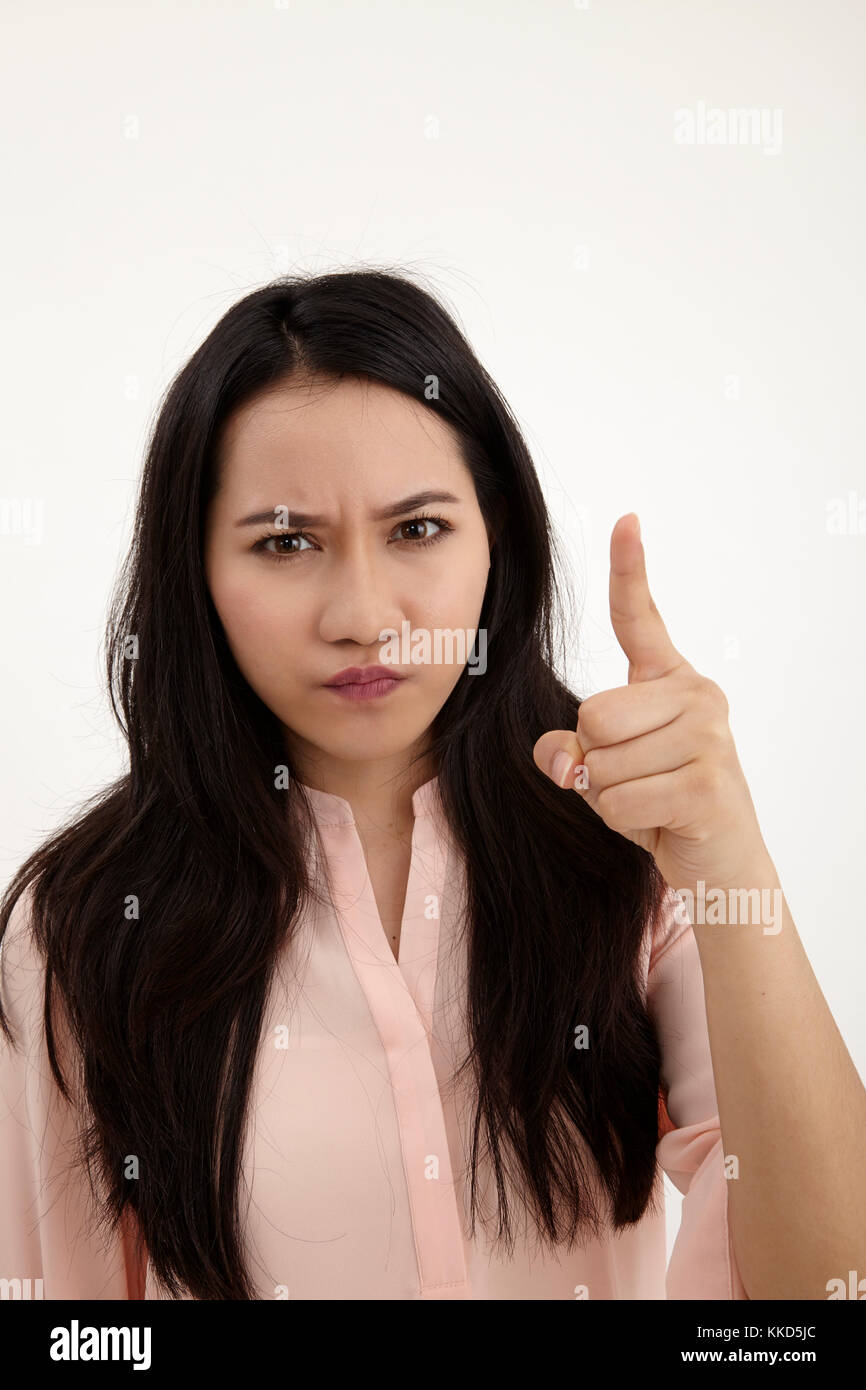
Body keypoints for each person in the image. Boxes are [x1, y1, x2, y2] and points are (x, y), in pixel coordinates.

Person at [1, 269, 863, 1301]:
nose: (364, 614)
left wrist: (731, 857)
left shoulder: (629, 853)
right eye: (285, 542)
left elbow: (823, 1294)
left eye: (416, 529)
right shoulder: (86, 925)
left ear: (495, 535)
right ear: (195, 570)